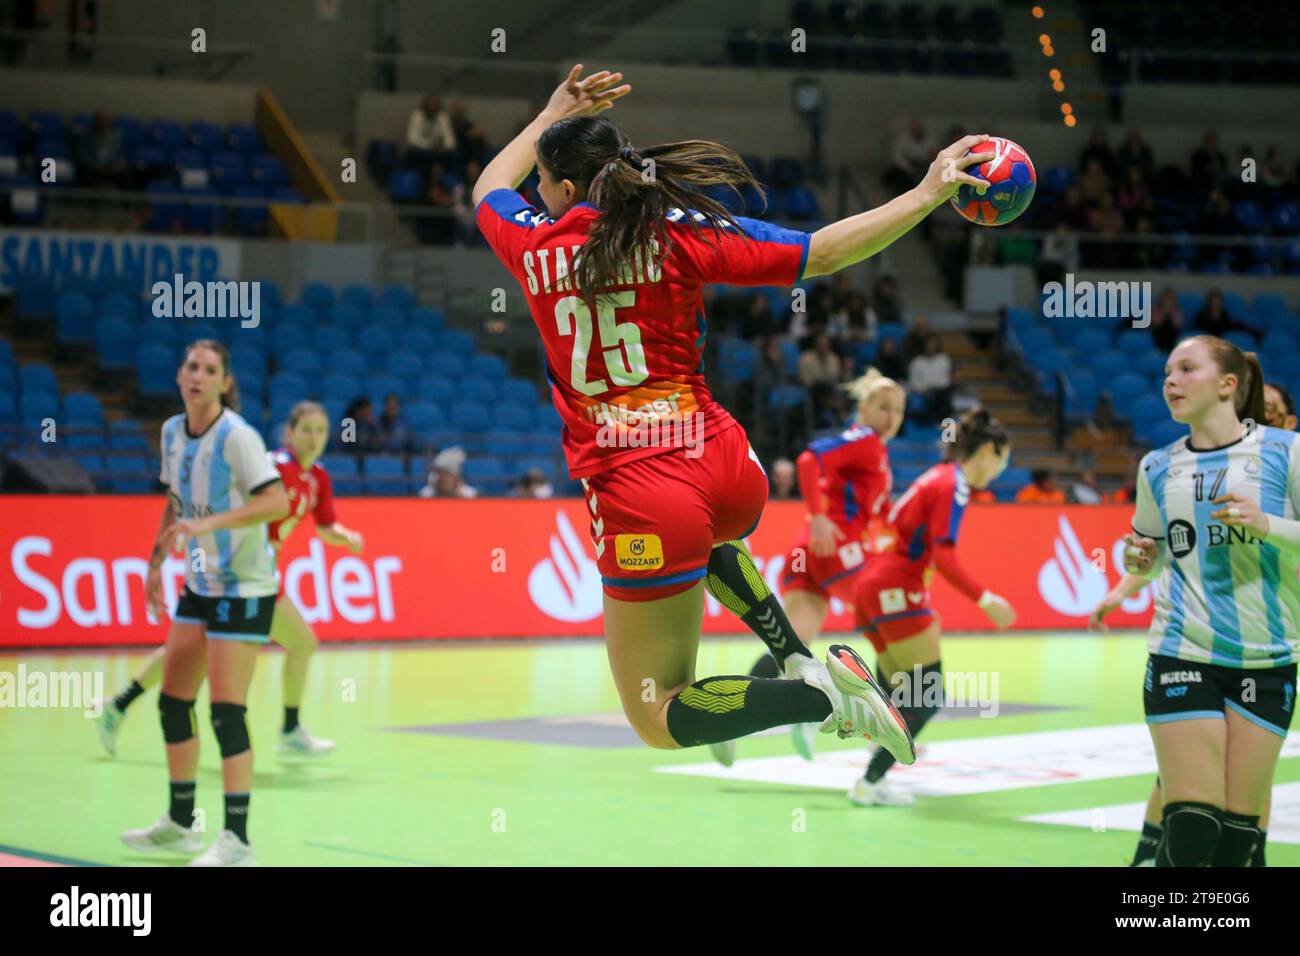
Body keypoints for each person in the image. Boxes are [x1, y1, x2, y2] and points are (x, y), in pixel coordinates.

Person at [471, 63, 995, 760]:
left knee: (657, 713)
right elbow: (824, 251)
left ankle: (823, 695)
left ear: (565, 190)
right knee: (714, 535)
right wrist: (925, 196)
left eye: (544, 182)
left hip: (642, 490)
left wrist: (546, 115)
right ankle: (796, 656)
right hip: (724, 463)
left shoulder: (534, 244)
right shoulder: (677, 229)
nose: (537, 192)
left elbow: (485, 187)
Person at [1094, 373, 1299, 867]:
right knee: (1185, 785)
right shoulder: (1191, 470)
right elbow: (1172, 547)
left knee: (1242, 792)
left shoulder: (1284, 465)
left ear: (1285, 422)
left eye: (1270, 414)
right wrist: (1123, 586)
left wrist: (1269, 526)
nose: (1259, 420)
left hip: (1271, 649)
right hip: (1192, 647)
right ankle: (1147, 861)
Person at [96, 401, 361, 761]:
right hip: (237, 569)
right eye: (306, 429)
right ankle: (282, 731)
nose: (314, 438)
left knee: (226, 646)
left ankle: (119, 706)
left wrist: (344, 536)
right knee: (210, 650)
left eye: (321, 431)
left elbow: (325, 527)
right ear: (290, 433)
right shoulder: (270, 468)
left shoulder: (318, 477)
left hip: (259, 575)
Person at [119, 340, 290, 867]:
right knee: (173, 701)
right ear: (179, 376)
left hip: (245, 588)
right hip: (200, 583)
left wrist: (208, 523)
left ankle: (237, 840)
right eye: (191, 366)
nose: (198, 376)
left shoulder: (238, 437)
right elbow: (174, 503)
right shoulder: (172, 432)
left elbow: (276, 500)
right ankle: (180, 822)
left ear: (224, 383)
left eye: (210, 369)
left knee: (226, 711)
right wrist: (153, 565)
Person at [710, 369, 906, 768]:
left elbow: (878, 511)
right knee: (894, 625)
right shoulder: (864, 440)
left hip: (812, 554)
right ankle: (882, 730)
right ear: (864, 408)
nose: (891, 417)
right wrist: (818, 515)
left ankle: (730, 722)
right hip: (833, 549)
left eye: (898, 410)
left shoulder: (877, 455)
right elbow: (807, 459)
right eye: (883, 407)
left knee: (791, 647)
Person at [849, 408, 1017, 805]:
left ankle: (879, 750)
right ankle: (870, 780)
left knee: (900, 687)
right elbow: (943, 556)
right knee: (928, 692)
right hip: (896, 585)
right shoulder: (954, 483)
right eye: (1003, 459)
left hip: (873, 585)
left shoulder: (935, 477)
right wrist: (987, 600)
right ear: (988, 451)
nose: (1001, 470)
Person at [907, 334, 953, 424]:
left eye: (933, 345)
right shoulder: (916, 362)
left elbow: (946, 381)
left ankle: (941, 423)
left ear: (937, 346)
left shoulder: (944, 360)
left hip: (939, 392)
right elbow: (913, 382)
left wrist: (934, 387)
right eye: (928, 345)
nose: (930, 348)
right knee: (919, 400)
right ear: (924, 346)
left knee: (943, 396)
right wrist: (925, 388)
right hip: (921, 392)